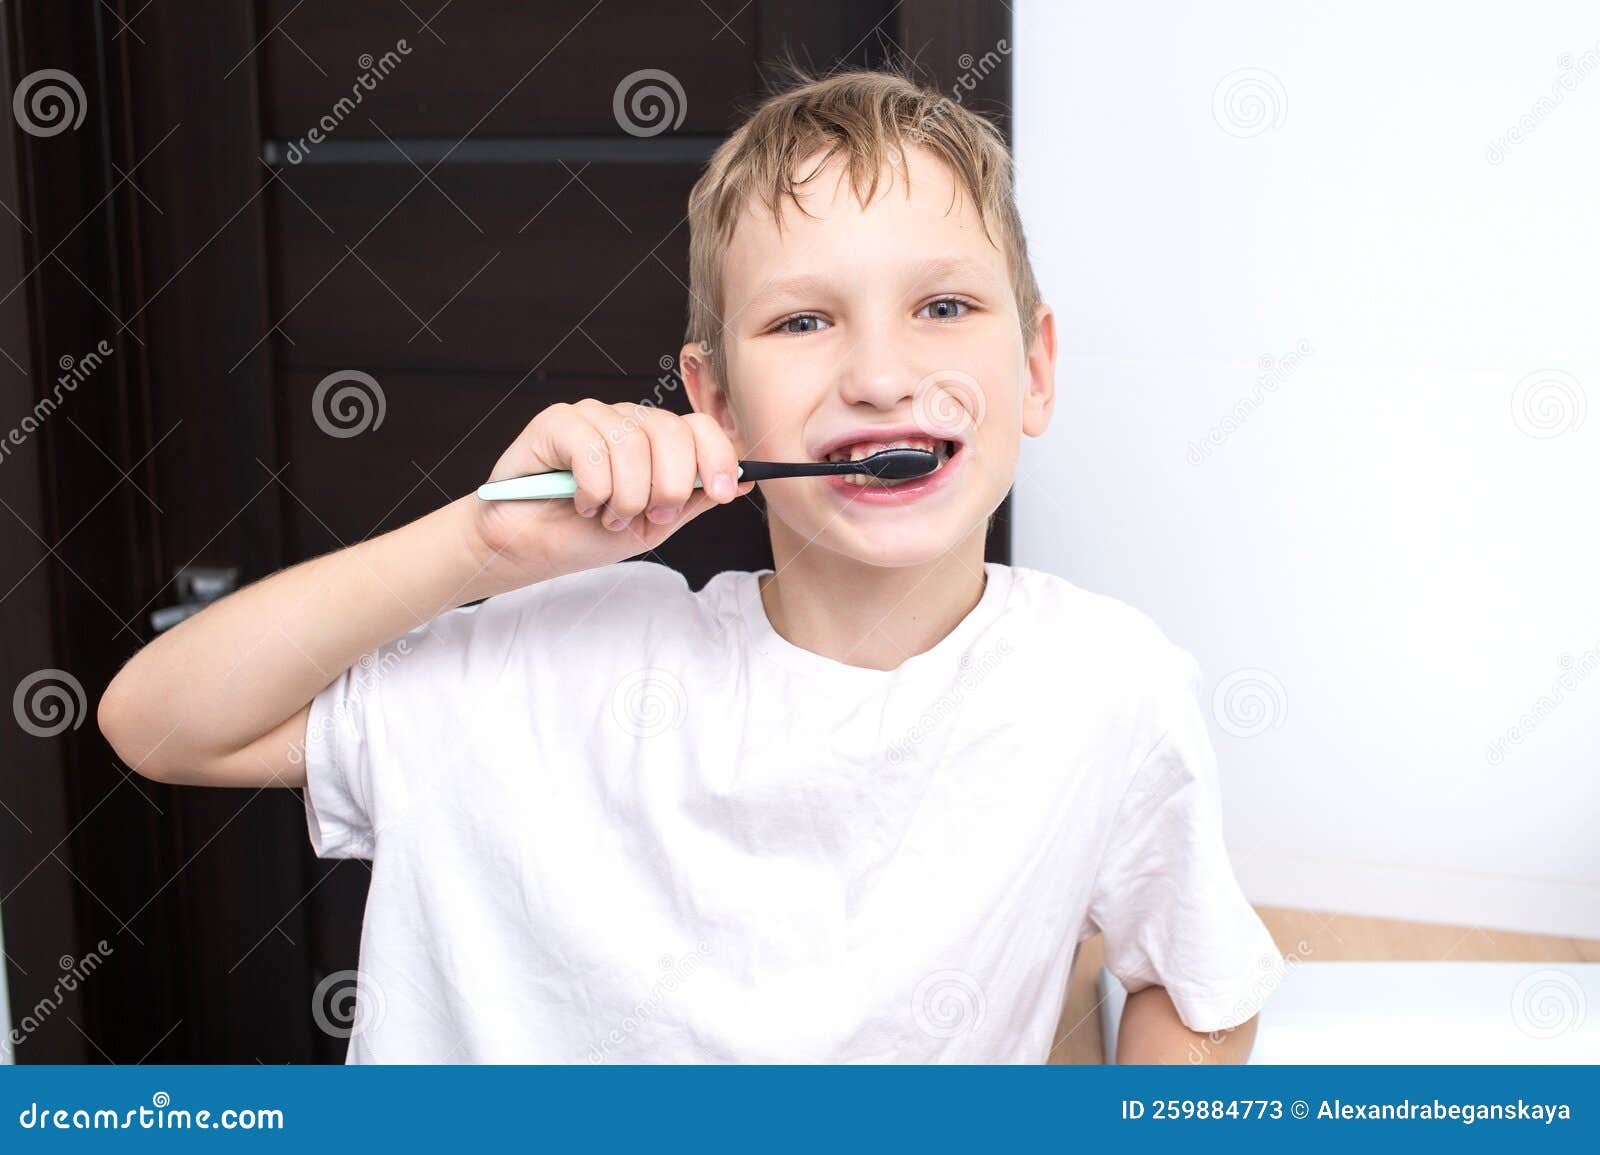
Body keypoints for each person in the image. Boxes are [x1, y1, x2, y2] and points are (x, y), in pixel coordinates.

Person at [99, 66, 1283, 1063]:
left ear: (1034, 371)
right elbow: (159, 725)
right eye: (803, 322)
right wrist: (477, 543)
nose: (880, 375)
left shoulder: (1103, 687)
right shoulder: (551, 661)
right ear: (715, 402)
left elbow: (1199, 985)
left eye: (943, 305)